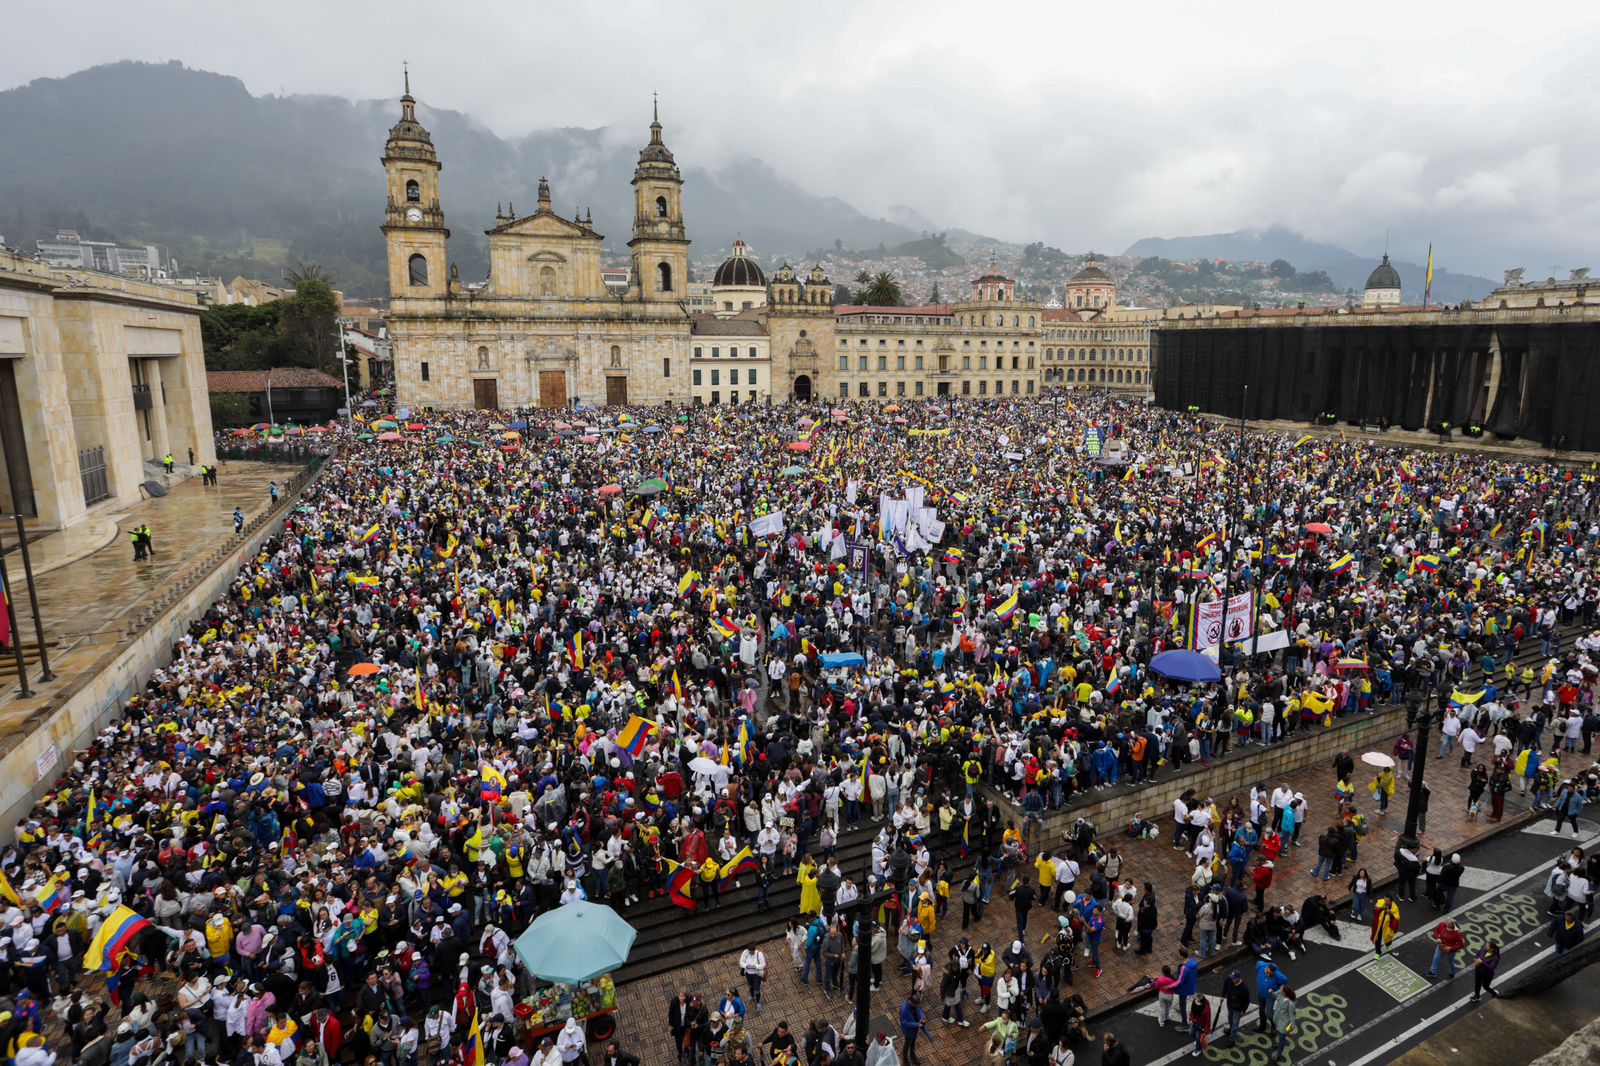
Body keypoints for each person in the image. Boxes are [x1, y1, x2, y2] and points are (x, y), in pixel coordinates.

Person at [1272, 986, 1298, 1063]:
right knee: (1279, 1036)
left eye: (1281, 990)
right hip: (1277, 1021)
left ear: (1284, 993)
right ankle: (1279, 1045)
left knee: (1281, 1039)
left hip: (1284, 1025)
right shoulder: (1280, 995)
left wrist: (1291, 1026)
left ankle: (1278, 1055)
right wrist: (1272, 992)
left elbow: (1292, 1016)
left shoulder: (1291, 1004)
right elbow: (1276, 994)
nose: (1279, 990)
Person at [898, 993, 926, 1066]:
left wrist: (922, 1018)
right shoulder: (904, 1010)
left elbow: (919, 1011)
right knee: (907, 1045)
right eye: (916, 1005)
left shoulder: (914, 1005)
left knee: (913, 1043)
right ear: (911, 1001)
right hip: (909, 1031)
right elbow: (904, 1023)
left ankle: (912, 1055)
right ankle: (905, 1059)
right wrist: (917, 1024)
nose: (917, 1006)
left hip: (915, 1029)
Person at [739, 943, 767, 1012]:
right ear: (748, 950)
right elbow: (741, 962)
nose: (752, 953)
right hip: (748, 974)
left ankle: (758, 1003)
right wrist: (746, 966)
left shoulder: (759, 954)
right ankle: (752, 996)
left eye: (753, 951)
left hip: (756, 974)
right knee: (751, 986)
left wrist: (755, 966)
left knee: (757, 990)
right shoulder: (745, 953)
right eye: (751, 951)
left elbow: (763, 965)